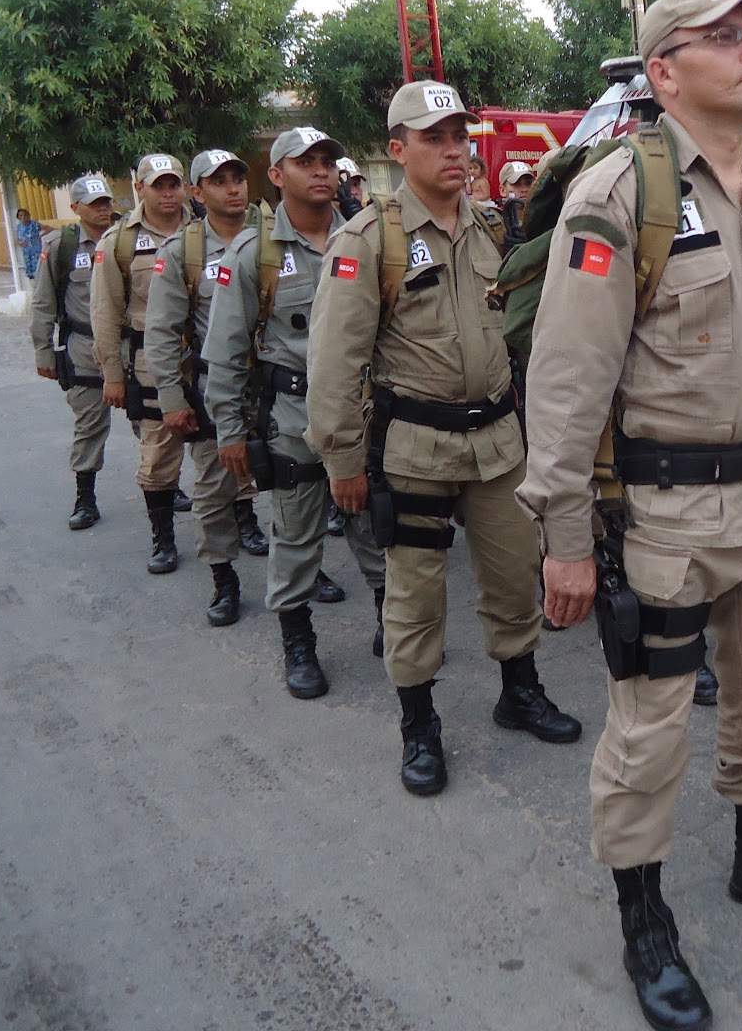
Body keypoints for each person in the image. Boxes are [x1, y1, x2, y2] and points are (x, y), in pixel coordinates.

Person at [517, 0, 742, 1031]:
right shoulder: (620, 193)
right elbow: (567, 382)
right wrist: (566, 539)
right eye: (726, 37)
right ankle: (643, 919)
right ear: (664, 70)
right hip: (666, 514)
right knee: (651, 728)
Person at [307, 80, 582, 798]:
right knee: (415, 597)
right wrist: (342, 460)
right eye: (435, 137)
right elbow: (334, 363)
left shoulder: (493, 226)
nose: (455, 150)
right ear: (397, 151)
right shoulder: (369, 240)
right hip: (417, 451)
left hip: (496, 442)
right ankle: (419, 724)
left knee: (514, 574)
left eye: (461, 135)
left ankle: (518, 691)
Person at [202, 127, 388, 700]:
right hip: (293, 418)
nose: (322, 170)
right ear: (277, 175)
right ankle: (298, 641)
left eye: (329, 160)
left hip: (367, 412)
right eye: (305, 162)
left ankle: (394, 620)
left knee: (378, 524)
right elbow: (226, 354)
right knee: (297, 532)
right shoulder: (253, 255)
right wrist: (230, 431)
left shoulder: (370, 239)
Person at [143, 149, 270, 627]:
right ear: (198, 193)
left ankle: (308, 567)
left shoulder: (276, 240)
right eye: (219, 181)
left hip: (277, 387)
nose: (233, 187)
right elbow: (160, 332)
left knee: (297, 482)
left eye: (239, 177)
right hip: (217, 387)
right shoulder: (182, 253)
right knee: (215, 488)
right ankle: (224, 577)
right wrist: (172, 402)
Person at [89, 153, 194, 574]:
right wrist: (112, 374)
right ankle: (163, 538)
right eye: (159, 185)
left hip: (207, 355)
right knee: (159, 450)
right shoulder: (119, 241)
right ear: (140, 189)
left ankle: (242, 523)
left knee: (225, 436)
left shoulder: (204, 229)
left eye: (174, 184)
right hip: (151, 359)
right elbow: (105, 313)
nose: (168, 193)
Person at [29, 175, 115, 529]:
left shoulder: (127, 240)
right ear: (76, 208)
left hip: (129, 348)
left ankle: (165, 488)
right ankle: (85, 497)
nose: (103, 209)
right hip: (84, 350)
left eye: (107, 202)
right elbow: (43, 302)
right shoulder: (61, 247)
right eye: (94, 204)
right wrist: (44, 352)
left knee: (152, 423)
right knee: (89, 425)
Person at [497, 160, 536, 248]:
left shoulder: (542, 220)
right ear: (502, 190)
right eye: (517, 184)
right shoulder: (496, 225)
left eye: (528, 183)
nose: (524, 189)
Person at [15, 207, 43, 281]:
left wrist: (41, 237)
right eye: (21, 216)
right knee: (31, 274)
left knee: (39, 269)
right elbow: (17, 241)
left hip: (37, 251)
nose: (23, 217)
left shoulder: (34, 224)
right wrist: (21, 243)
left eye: (25, 215)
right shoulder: (19, 227)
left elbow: (48, 228)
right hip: (27, 253)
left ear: (28, 216)